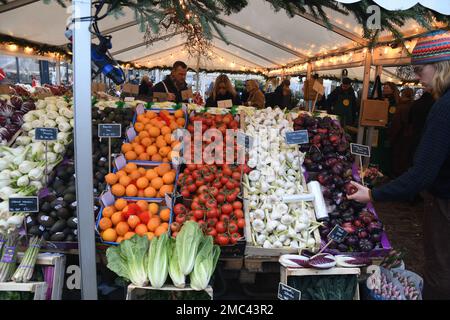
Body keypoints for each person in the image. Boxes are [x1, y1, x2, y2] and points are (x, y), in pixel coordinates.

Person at [348, 30, 450, 300]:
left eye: (419, 68)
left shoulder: (444, 107)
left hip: (445, 204)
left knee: (441, 274)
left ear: (439, 66)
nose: (417, 76)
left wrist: (372, 193)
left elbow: (422, 174)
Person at [370, 82, 400, 177]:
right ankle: (374, 167)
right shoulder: (380, 99)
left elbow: (393, 116)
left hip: (388, 131)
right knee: (376, 149)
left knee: (385, 151)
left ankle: (384, 170)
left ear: (392, 89)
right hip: (377, 128)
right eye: (384, 88)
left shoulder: (395, 102)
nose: (385, 89)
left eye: (387, 88)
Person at [389, 87, 414, 177]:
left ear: (403, 95)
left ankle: (395, 176)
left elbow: (396, 124)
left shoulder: (401, 107)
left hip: (400, 135)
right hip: (409, 136)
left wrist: (391, 136)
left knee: (397, 157)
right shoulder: (413, 105)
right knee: (404, 157)